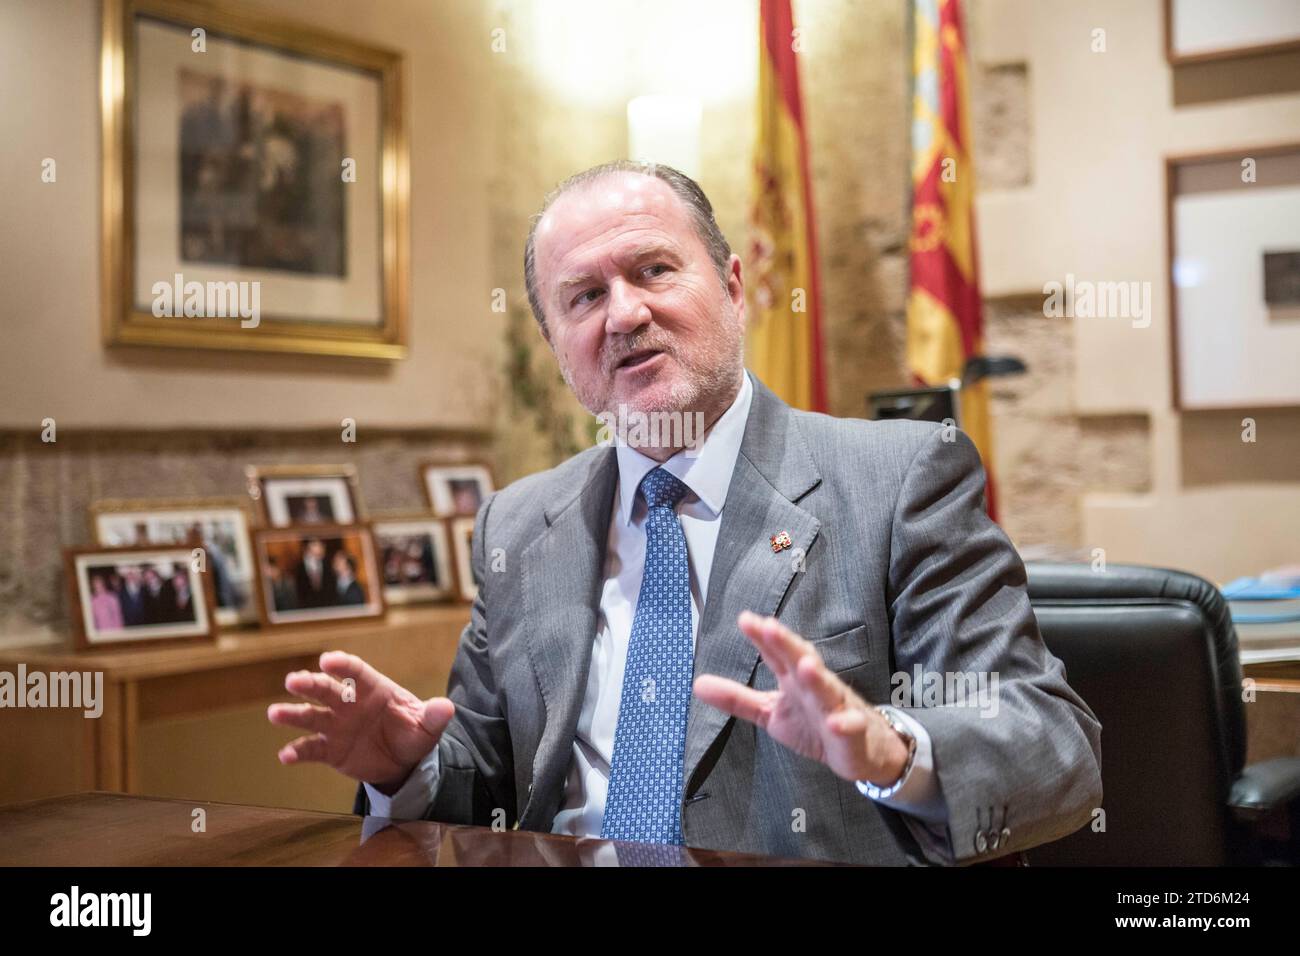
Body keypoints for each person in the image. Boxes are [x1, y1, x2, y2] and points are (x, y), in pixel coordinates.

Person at [268, 161, 1102, 865]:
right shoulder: (519, 526)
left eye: (654, 271)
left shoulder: (898, 478)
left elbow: (1049, 744)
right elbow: (486, 784)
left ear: (735, 288)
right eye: (583, 297)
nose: (624, 314)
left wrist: (889, 749)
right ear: (558, 347)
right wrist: (404, 772)